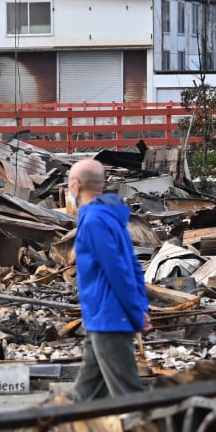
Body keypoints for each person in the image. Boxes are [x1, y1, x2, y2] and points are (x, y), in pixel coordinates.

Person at [68, 158, 151, 401]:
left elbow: (118, 272)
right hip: (99, 320)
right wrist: (141, 306)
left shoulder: (94, 221)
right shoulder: (109, 216)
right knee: (85, 396)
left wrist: (136, 314)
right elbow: (133, 266)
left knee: (128, 397)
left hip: (109, 319)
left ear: (76, 184)